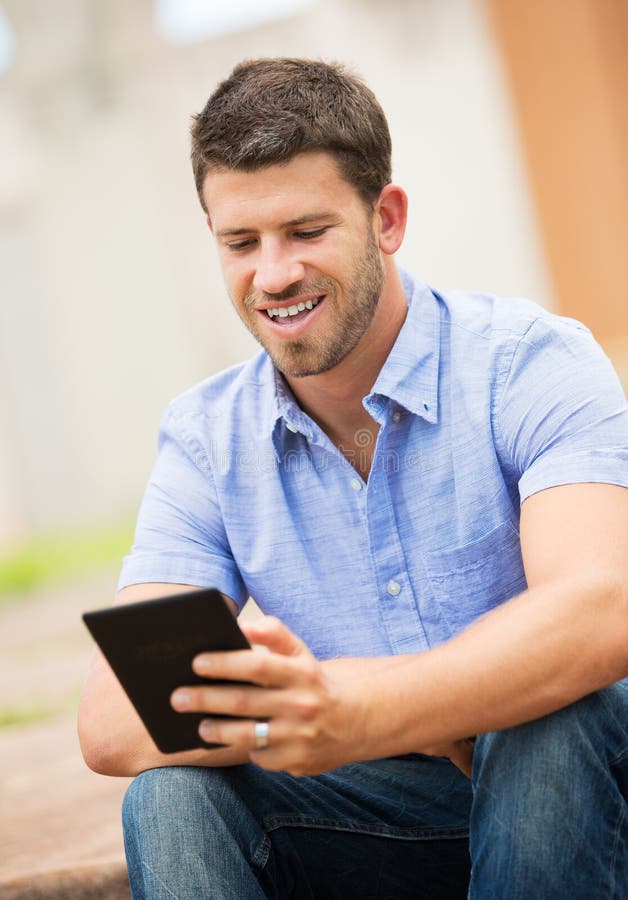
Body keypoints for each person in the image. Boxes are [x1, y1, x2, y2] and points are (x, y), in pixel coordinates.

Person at [78, 58, 628, 899]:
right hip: (384, 814)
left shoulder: (529, 363)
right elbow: (116, 720)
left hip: (586, 804)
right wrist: (306, 720)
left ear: (387, 217)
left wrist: (365, 706)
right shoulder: (206, 440)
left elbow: (602, 611)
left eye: (305, 231)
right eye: (240, 243)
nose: (273, 275)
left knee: (548, 720)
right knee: (173, 794)